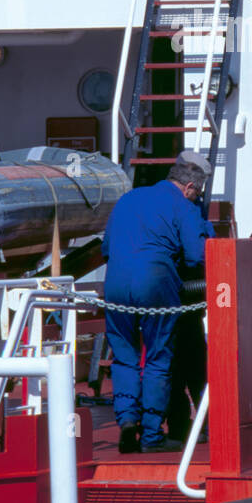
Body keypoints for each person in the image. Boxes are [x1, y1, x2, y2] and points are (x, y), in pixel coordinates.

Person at [101, 150, 215, 454]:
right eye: (197, 193)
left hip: (115, 284)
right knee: (157, 357)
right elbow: (196, 256)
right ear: (190, 188)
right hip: (154, 282)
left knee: (124, 356)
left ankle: (127, 421)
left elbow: (106, 247)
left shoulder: (128, 199)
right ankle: (152, 435)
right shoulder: (184, 206)